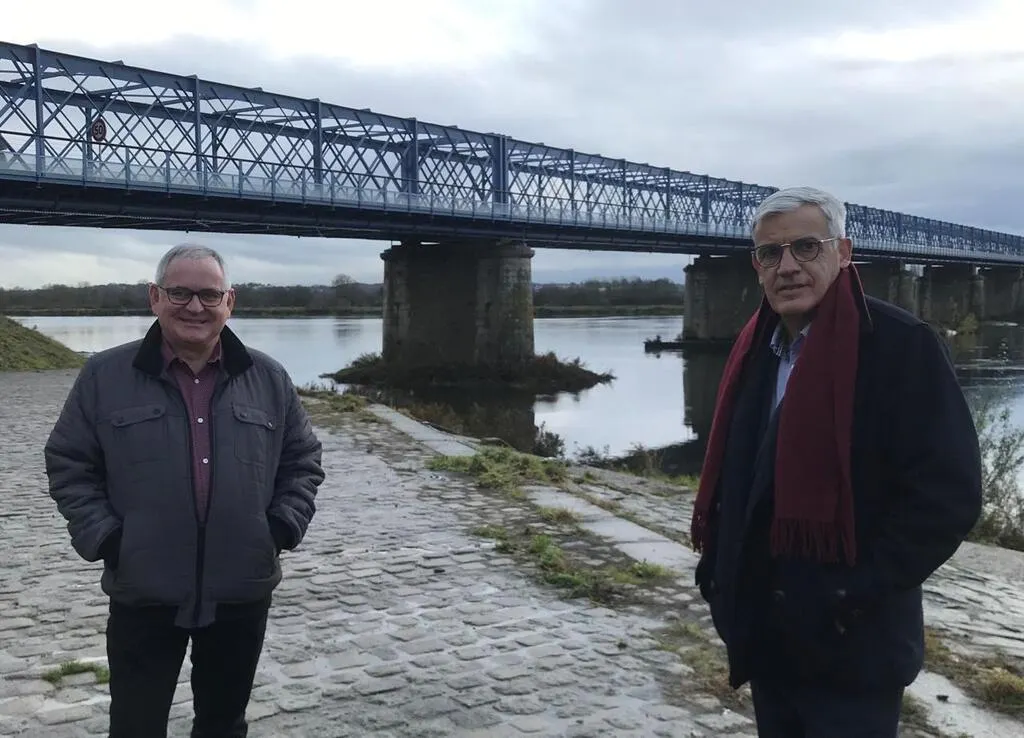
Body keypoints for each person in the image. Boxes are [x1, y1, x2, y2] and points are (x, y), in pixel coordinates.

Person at [691, 187, 982, 737]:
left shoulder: (900, 346)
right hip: (768, 641)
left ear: (843, 253)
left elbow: (948, 497)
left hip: (854, 648)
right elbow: (739, 474)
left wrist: (853, 595)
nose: (788, 267)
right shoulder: (754, 349)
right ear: (757, 266)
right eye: (770, 253)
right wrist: (719, 576)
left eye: (806, 247)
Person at [44, 243, 326, 738]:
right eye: (180, 293)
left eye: (209, 295)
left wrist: (280, 528)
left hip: (240, 588)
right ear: (154, 297)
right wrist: (110, 540)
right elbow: (69, 463)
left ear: (229, 302)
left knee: (223, 724)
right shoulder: (105, 377)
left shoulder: (269, 378)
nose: (195, 306)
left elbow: (302, 461)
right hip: (144, 589)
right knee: (135, 725)